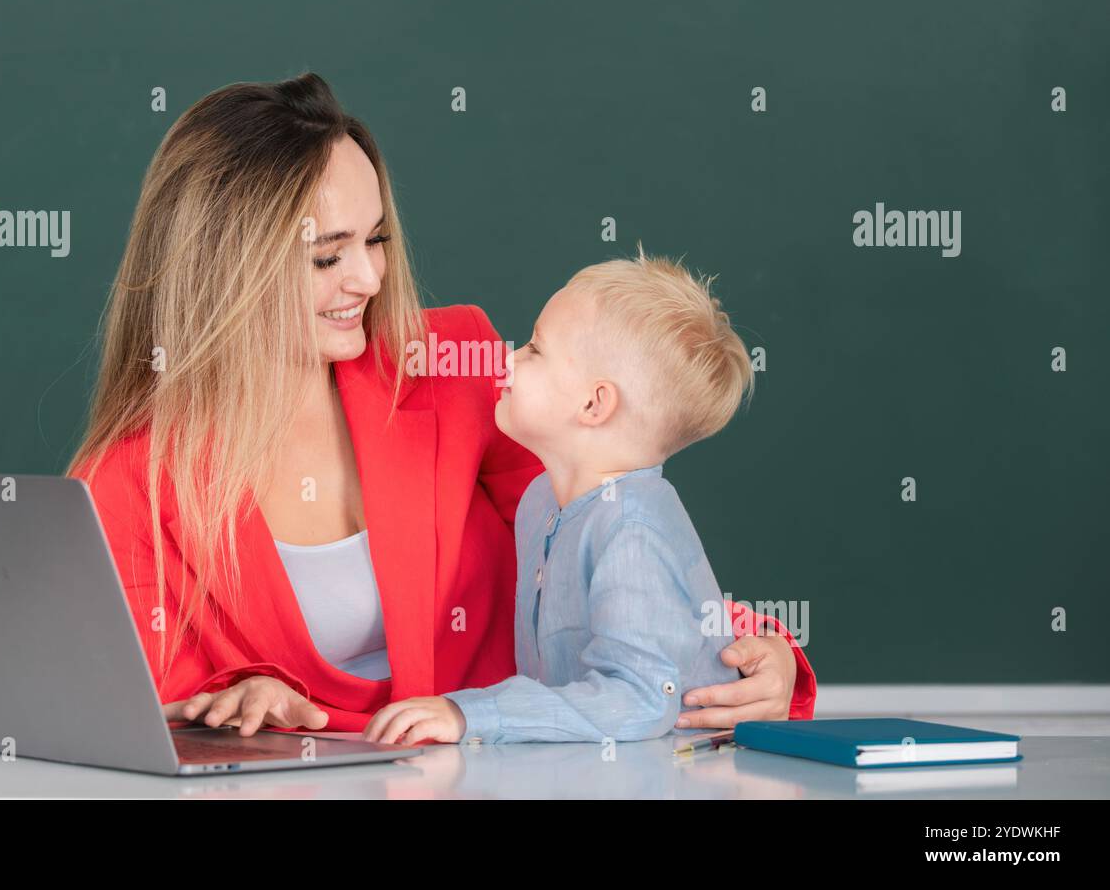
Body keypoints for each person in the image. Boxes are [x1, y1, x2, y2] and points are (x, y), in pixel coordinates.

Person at [68, 72, 815, 737]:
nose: (367, 276)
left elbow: (609, 534)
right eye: (327, 255)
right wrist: (245, 699)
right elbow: (156, 709)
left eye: (377, 238)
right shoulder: (128, 481)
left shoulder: (458, 365)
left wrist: (756, 653)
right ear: (223, 267)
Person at [365, 251, 761, 745]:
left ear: (593, 404)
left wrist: (474, 714)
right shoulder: (540, 502)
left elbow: (639, 699)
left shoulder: (631, 529)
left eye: (535, 349)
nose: (509, 359)